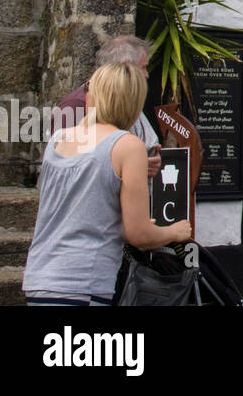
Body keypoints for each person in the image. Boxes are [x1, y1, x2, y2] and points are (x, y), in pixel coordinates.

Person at [23, 62, 192, 305]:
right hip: (83, 282)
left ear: (94, 96)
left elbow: (70, 214)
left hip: (41, 278)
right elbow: (139, 235)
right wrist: (175, 232)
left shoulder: (59, 139)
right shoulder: (127, 145)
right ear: (134, 102)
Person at [52, 35, 162, 178]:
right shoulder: (74, 107)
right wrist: (130, 165)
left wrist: (146, 163)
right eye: (143, 67)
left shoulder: (126, 102)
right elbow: (63, 171)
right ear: (124, 67)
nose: (146, 75)